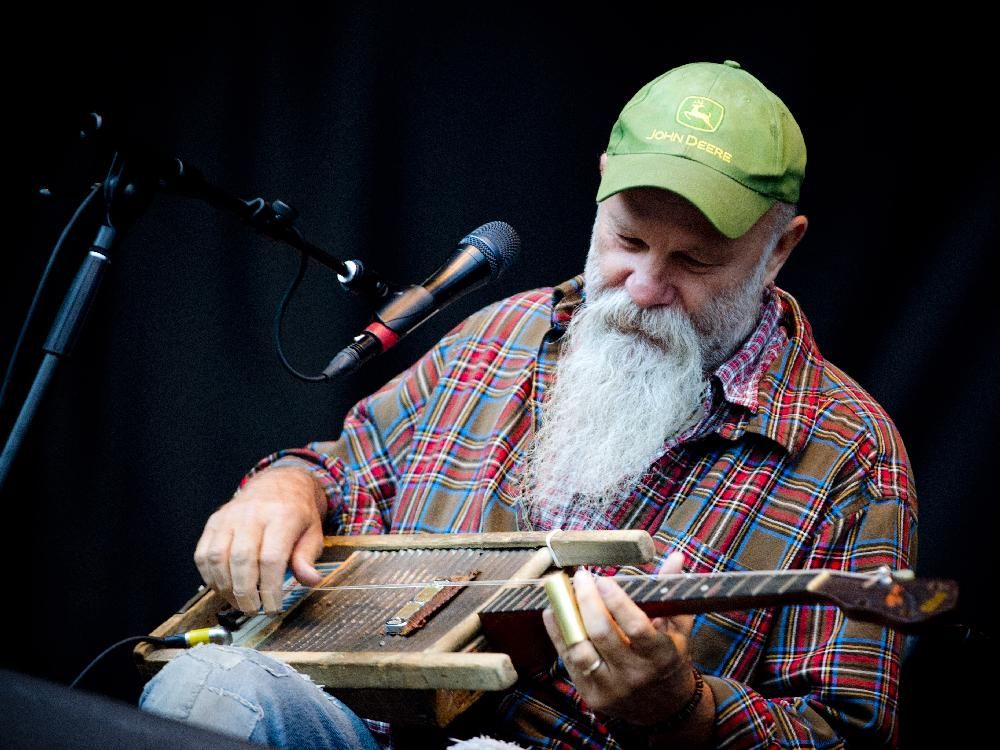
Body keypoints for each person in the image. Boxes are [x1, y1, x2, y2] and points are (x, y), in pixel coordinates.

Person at [141, 60, 915, 749]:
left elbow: (840, 732)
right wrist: (286, 488)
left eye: (694, 261)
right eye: (629, 241)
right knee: (206, 689)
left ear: (781, 247)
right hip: (365, 731)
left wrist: (679, 711)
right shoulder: (504, 333)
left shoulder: (850, 453)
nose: (645, 288)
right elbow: (345, 469)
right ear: (602, 183)